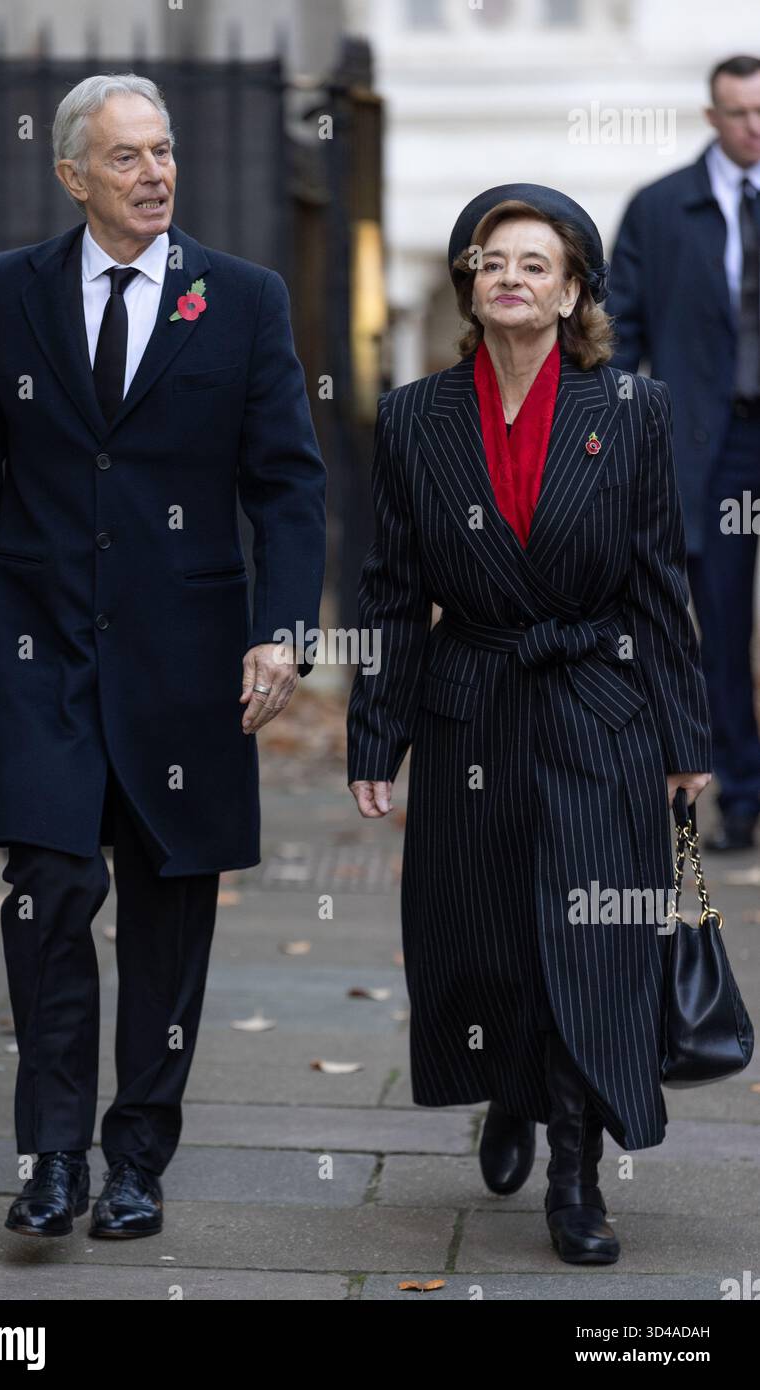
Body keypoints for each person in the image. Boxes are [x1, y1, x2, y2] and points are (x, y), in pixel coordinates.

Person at [0, 72, 326, 1239]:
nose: (153, 174)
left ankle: (138, 1155)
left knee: (167, 907)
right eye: (125, 158)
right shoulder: (4, 293)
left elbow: (288, 484)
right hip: (35, 645)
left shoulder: (242, 299)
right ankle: (49, 1155)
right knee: (48, 899)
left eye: (161, 152)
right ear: (70, 175)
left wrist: (281, 626)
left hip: (186, 658)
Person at [346, 183, 712, 1266]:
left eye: (532, 264)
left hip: (597, 705)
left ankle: (573, 1170)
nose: (509, 276)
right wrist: (377, 733)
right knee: (488, 939)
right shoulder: (416, 416)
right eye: (489, 260)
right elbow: (386, 589)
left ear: (570, 292)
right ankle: (506, 1085)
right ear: (468, 282)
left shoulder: (629, 411)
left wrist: (683, 744)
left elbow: (658, 586)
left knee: (590, 947)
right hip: (472, 705)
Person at [607, 53, 760, 851]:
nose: (755, 127)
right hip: (714, 445)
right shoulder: (663, 209)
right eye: (740, 113)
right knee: (721, 628)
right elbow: (619, 331)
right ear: (712, 116)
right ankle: (739, 795)